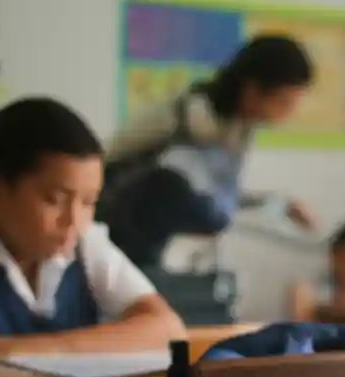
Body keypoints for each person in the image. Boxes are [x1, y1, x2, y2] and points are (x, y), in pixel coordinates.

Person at [0, 97, 186, 377]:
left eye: (89, 202)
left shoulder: (85, 245)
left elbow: (164, 327)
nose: (73, 222)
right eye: (54, 199)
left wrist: (22, 350)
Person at [97, 35, 318, 268]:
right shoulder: (190, 117)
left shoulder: (238, 127)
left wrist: (279, 204)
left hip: (159, 241)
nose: (287, 114)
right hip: (119, 224)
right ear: (252, 89)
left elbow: (223, 197)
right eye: (283, 103)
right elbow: (115, 164)